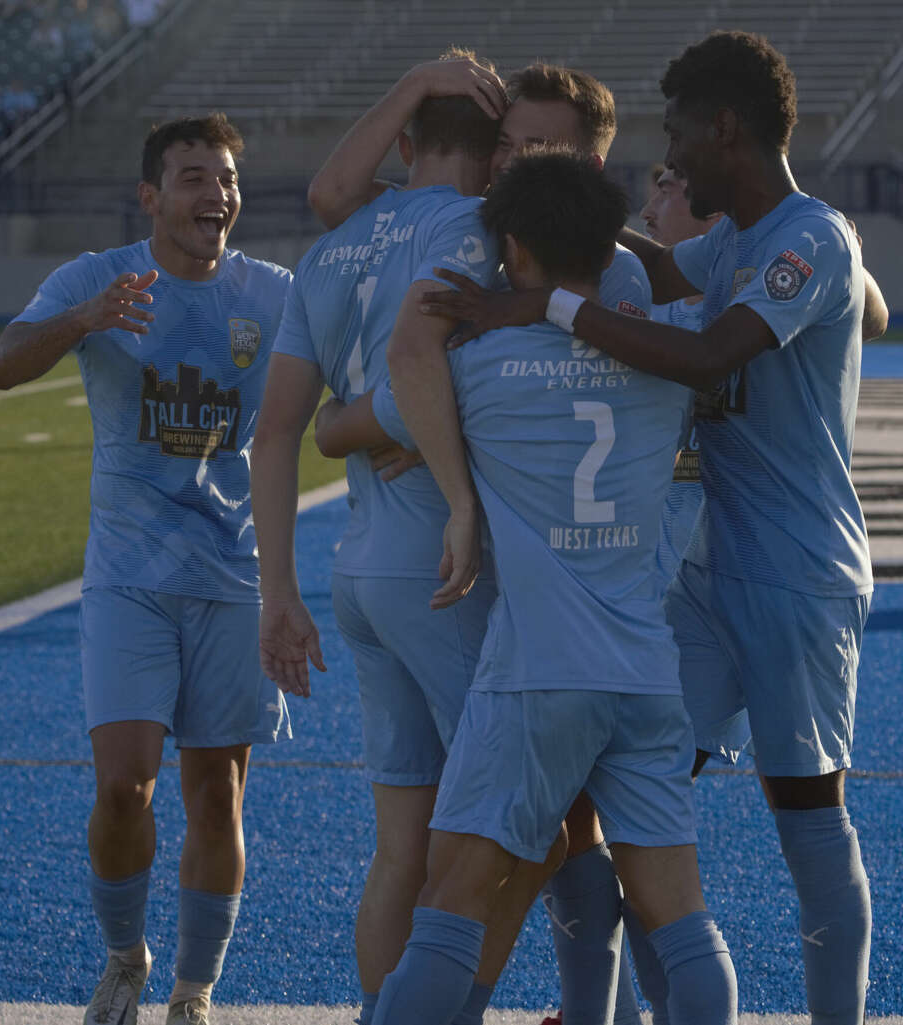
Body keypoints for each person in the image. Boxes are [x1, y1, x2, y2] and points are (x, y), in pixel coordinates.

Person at [422, 31, 884, 1025]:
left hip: (800, 575)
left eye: (677, 137)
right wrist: (532, 202)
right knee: (633, 799)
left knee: (805, 817)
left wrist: (538, 301)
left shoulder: (809, 235)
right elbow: (641, 258)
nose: (666, 160)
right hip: (709, 576)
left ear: (726, 128)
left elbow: (713, 353)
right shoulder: (732, 244)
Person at [309, 59, 657, 1025]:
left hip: (567, 603)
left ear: (594, 160)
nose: (514, 161)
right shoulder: (491, 248)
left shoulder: (606, 274)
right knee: (537, 831)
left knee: (533, 832)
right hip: (499, 598)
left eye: (538, 147)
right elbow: (340, 208)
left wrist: (390, 429)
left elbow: (379, 407)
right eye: (507, 143)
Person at [369, 147, 737, 1025]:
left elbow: (353, 422)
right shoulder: (660, 367)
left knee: (450, 900)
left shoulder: (479, 365)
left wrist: (456, 498)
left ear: (517, 252)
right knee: (682, 921)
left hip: (536, 671)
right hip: (645, 675)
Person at [253, 51, 571, 1025]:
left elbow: (275, 433)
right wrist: (411, 427)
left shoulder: (332, 247)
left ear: (405, 142)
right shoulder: (476, 227)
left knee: (402, 840)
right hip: (445, 566)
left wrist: (279, 594)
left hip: (356, 568)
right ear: (493, 154)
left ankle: (386, 1010)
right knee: (526, 826)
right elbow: (424, 358)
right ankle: (441, 1011)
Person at [0, 113, 292, 1025]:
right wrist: (83, 320)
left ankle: (194, 991)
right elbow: (3, 365)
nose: (218, 193)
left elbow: (350, 377)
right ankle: (125, 956)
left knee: (217, 790)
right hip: (127, 573)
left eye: (228, 177)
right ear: (151, 197)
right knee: (124, 780)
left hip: (233, 575)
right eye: (195, 177)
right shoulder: (97, 276)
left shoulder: (271, 293)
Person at [639, 164, 722, 585]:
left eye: (665, 193)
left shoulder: (758, 311)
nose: (646, 212)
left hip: (743, 567)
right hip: (653, 565)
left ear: (715, 212)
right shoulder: (637, 310)